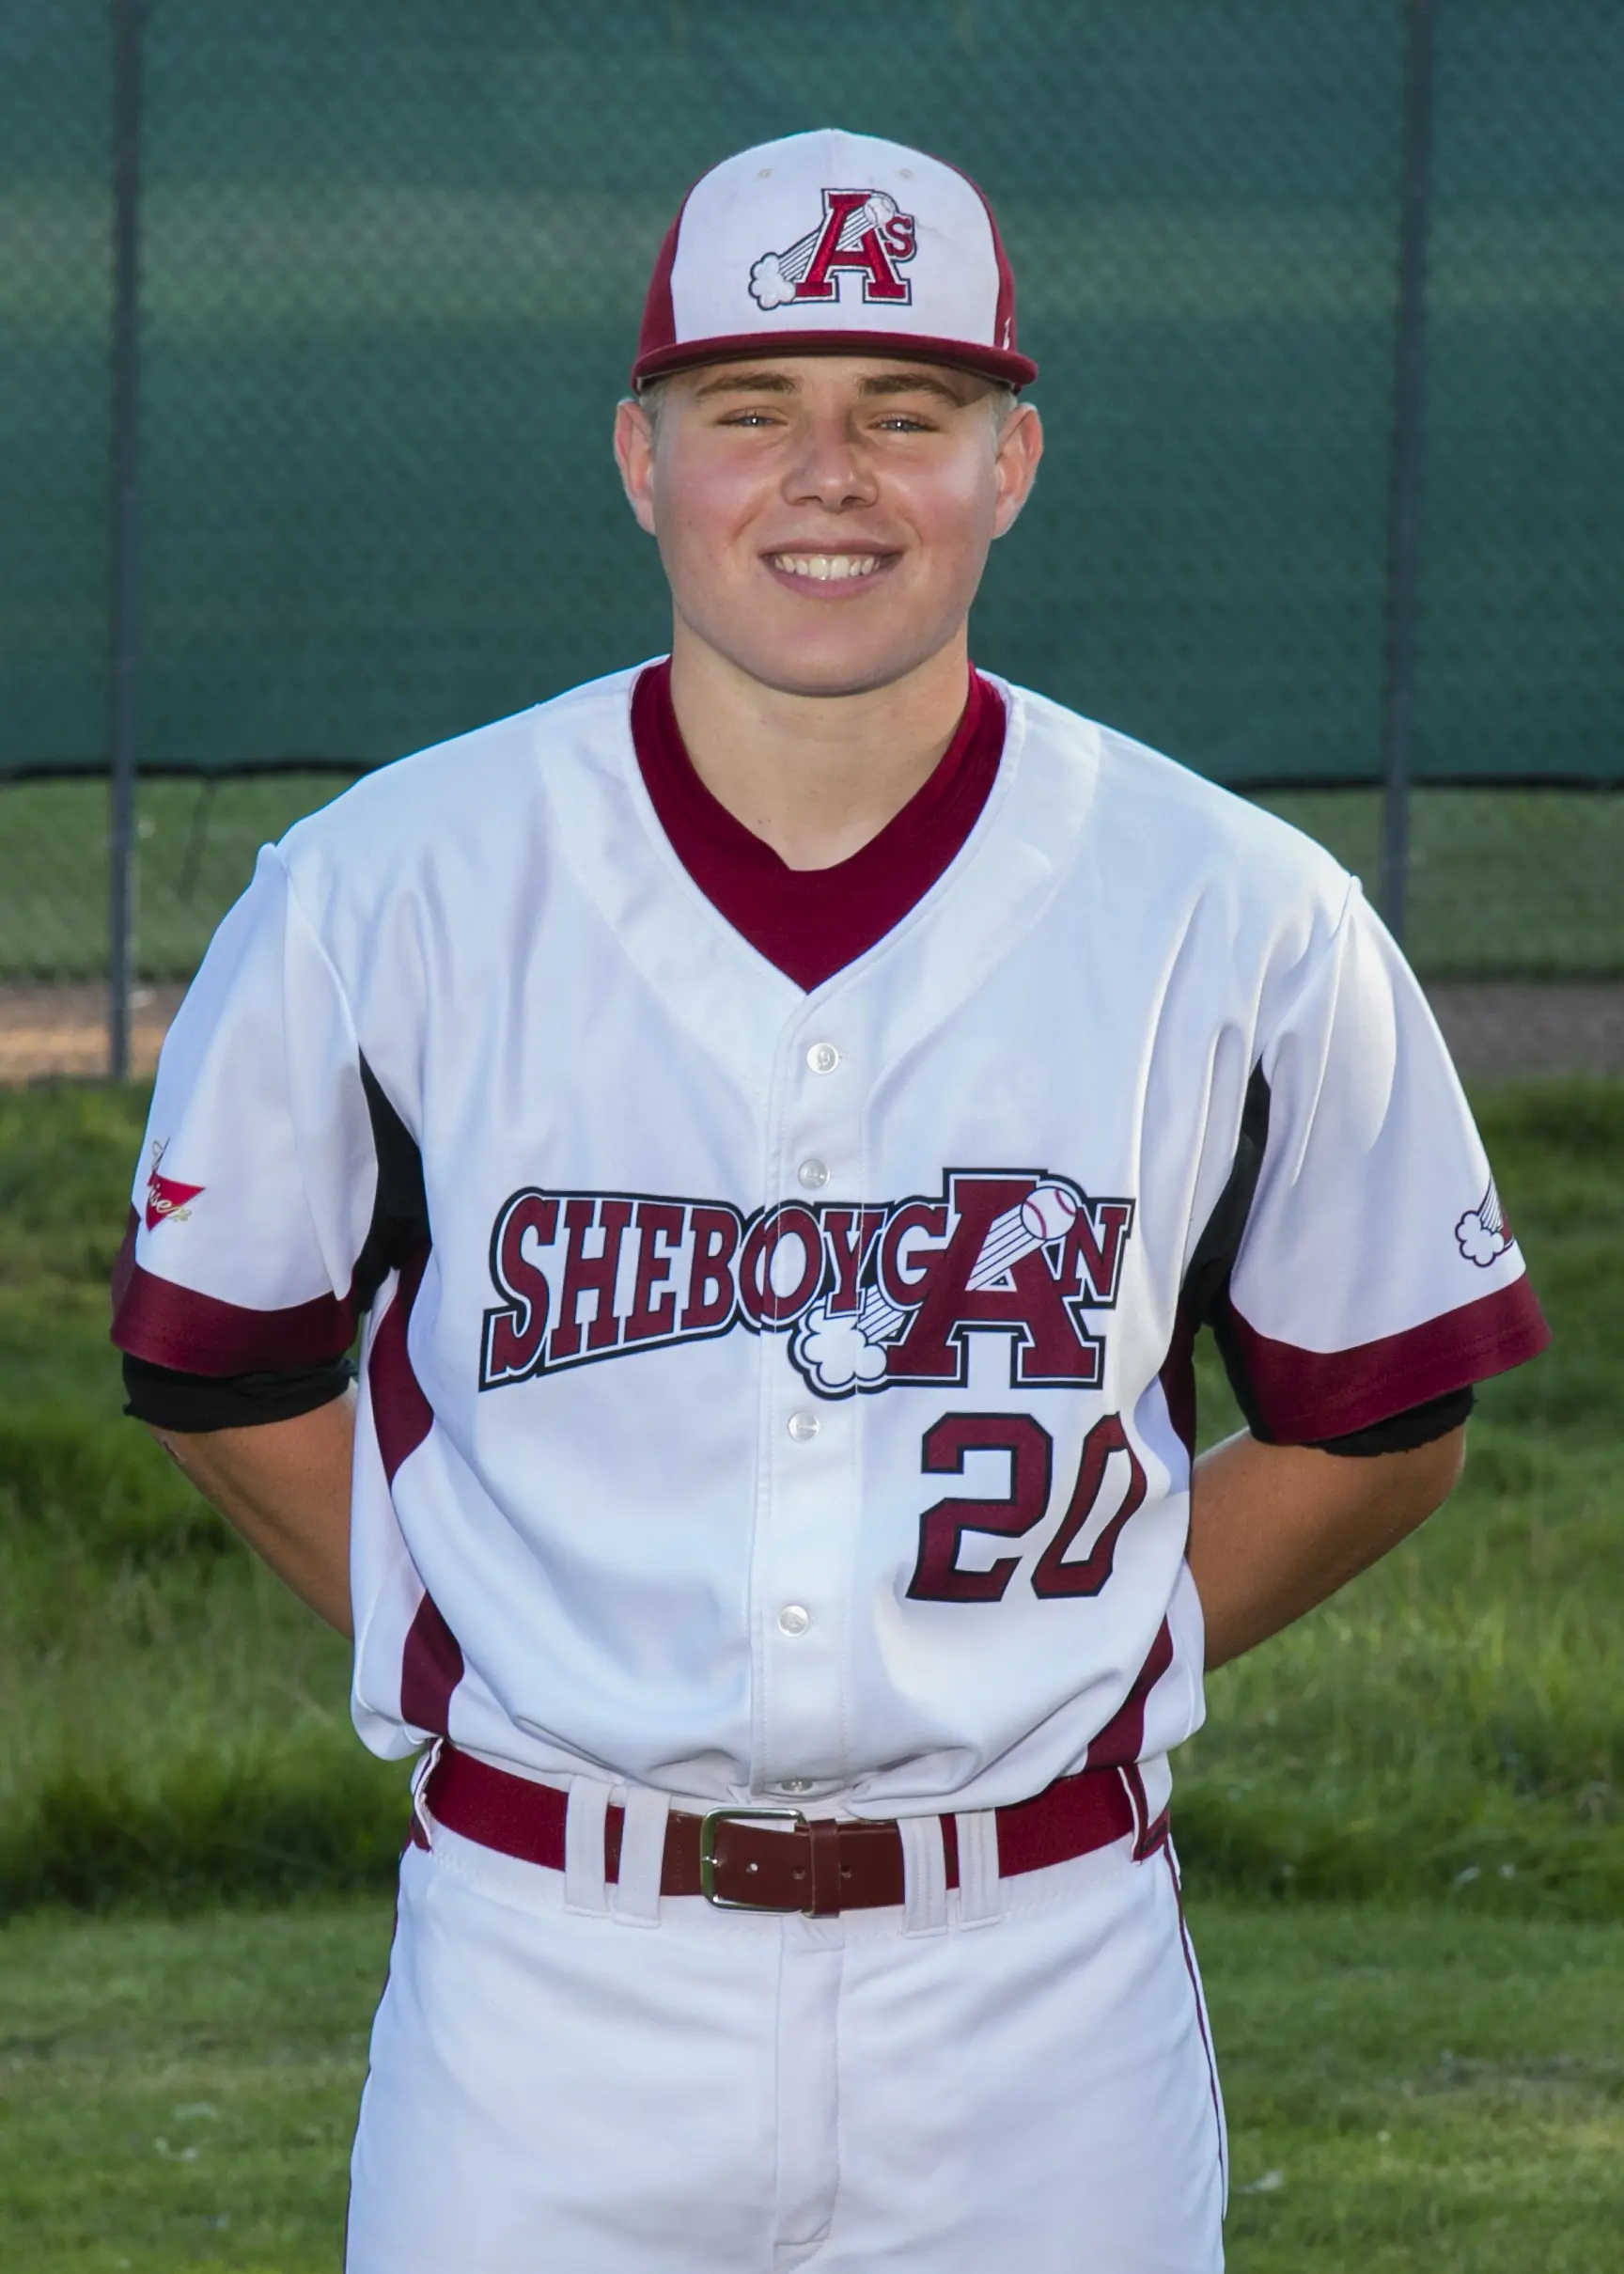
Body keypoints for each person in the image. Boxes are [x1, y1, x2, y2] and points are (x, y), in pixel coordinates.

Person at [112, 129, 1547, 2273]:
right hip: (549, 1981)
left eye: (909, 411)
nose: (828, 476)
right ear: (639, 456)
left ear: (1014, 458)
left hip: (1042, 1995)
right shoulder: (383, 890)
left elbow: (1383, 1422)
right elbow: (224, 1368)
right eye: (749, 411)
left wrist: (1106, 1644)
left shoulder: (1239, 911)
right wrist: (471, 1638)